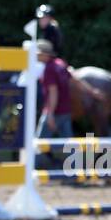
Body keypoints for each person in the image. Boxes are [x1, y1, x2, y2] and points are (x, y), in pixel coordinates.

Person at [34, 39, 73, 167]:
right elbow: (74, 79)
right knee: (69, 144)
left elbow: (53, 92)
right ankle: (74, 173)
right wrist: (91, 92)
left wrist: (50, 114)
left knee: (39, 143)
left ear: (45, 54)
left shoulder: (49, 69)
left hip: (54, 111)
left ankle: (33, 171)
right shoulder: (60, 63)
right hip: (66, 110)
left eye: (38, 54)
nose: (36, 56)